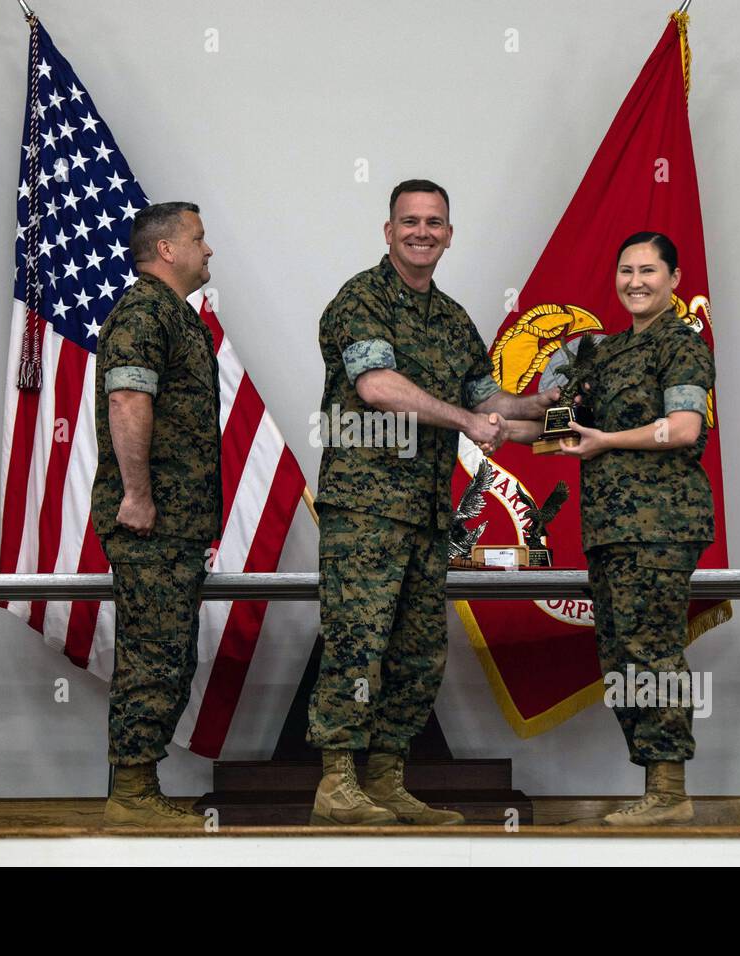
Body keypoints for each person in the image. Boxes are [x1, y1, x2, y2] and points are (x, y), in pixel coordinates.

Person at [309, 179, 557, 826]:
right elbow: (378, 386)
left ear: (450, 234)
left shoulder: (451, 319)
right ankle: (336, 785)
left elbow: (489, 401)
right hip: (365, 507)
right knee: (356, 642)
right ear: (387, 231)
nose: (422, 232)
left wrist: (535, 408)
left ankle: (386, 780)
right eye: (409, 221)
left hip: (425, 512)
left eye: (435, 222)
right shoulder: (361, 299)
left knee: (418, 652)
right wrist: (467, 422)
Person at [558, 231, 715, 826]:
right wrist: (485, 423)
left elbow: (680, 429)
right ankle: (656, 787)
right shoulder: (605, 352)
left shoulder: (682, 345)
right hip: (611, 528)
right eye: (626, 270)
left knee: (652, 652)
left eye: (649, 271)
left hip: (661, 524)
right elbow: (566, 429)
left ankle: (670, 792)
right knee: (621, 658)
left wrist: (605, 441)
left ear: (674, 280)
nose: (636, 282)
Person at [91, 202, 220, 829]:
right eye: (198, 238)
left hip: (176, 525)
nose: (208, 249)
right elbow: (127, 398)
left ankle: (139, 788)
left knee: (170, 653)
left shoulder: (175, 317)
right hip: (151, 522)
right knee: (153, 654)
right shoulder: (145, 313)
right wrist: (137, 495)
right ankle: (131, 795)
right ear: (166, 250)